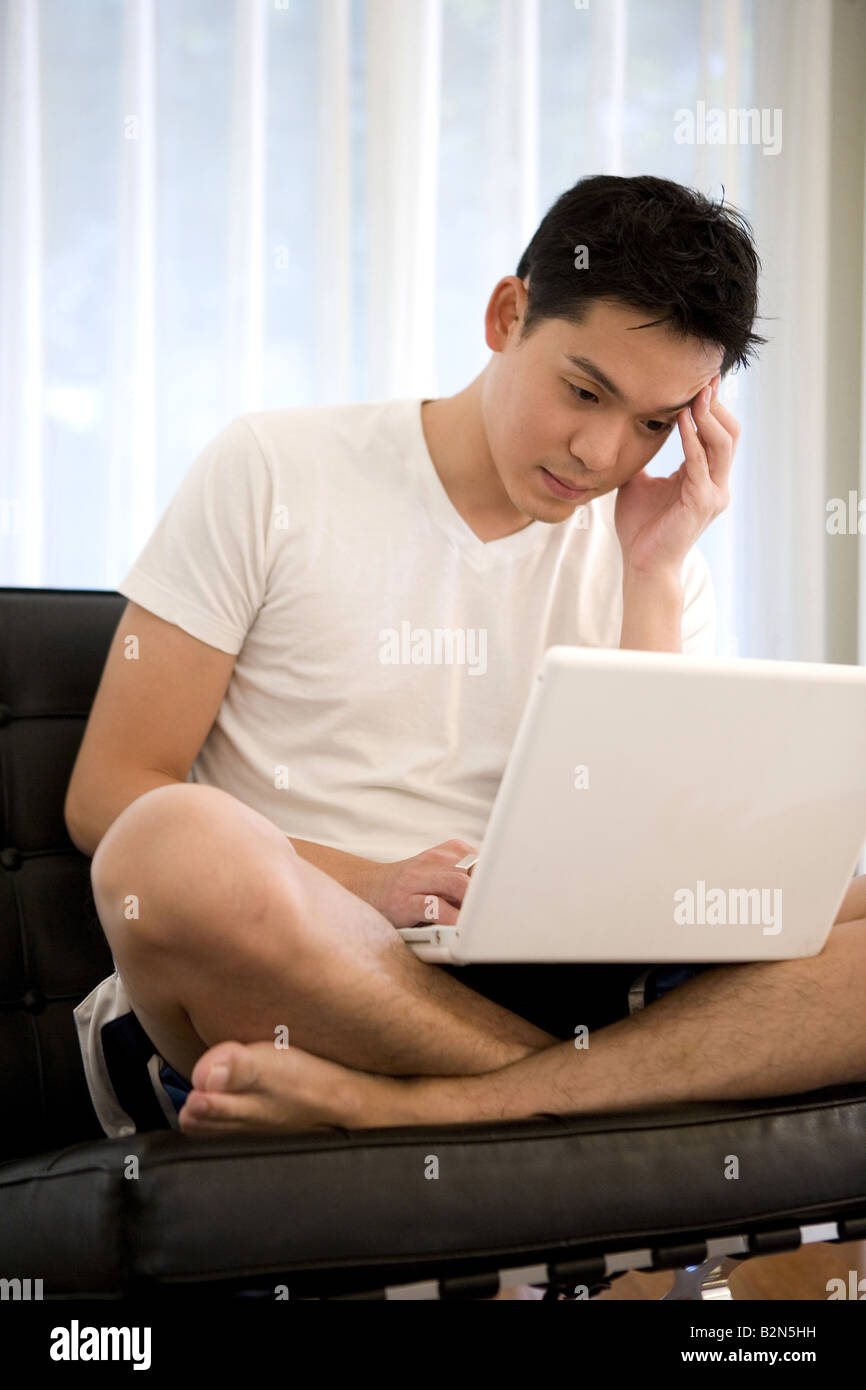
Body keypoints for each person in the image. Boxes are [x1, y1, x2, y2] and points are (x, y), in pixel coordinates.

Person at [66, 173, 866, 1146]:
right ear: (505, 314)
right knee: (172, 846)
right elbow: (109, 792)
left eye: (653, 423)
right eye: (583, 390)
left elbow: (637, 878)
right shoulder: (271, 469)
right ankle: (632, 1106)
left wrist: (650, 575)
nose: (601, 450)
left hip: (554, 982)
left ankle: (442, 1109)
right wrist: (365, 883)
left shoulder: (651, 550)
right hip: (315, 952)